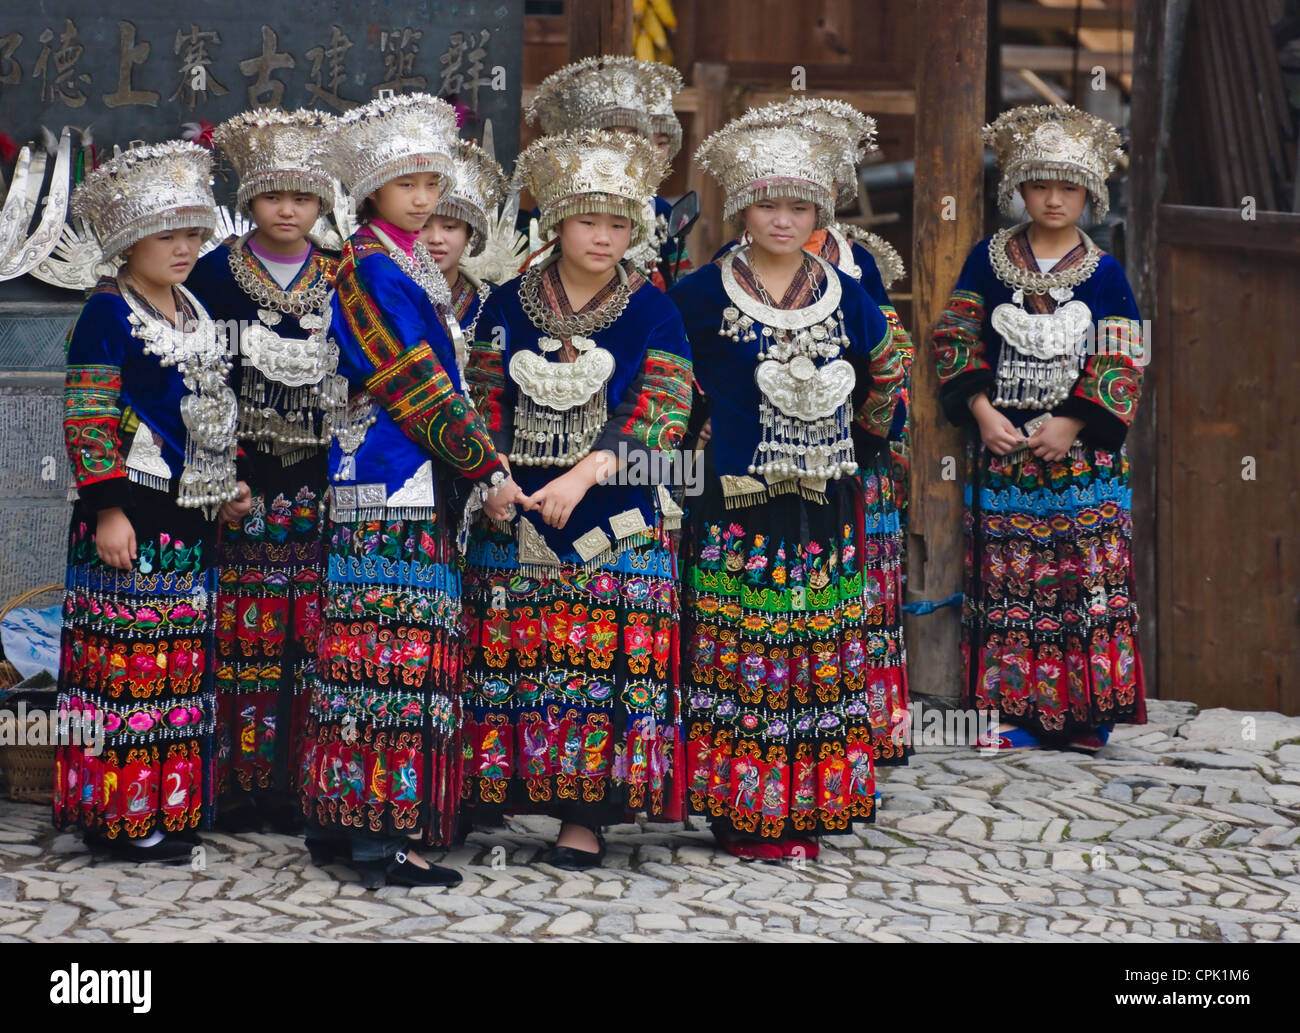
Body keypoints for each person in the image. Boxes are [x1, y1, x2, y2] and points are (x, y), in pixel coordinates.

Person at [299, 93, 524, 888]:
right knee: (392, 656)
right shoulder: (368, 264)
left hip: (402, 477)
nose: (425, 197)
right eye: (407, 184)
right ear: (371, 192)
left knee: (373, 652)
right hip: (393, 481)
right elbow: (413, 383)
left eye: (433, 180)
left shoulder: (398, 260)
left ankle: (344, 823)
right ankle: (380, 836)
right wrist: (486, 465)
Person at [669, 109, 903, 860]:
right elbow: (671, 390)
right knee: (739, 650)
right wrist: (686, 457)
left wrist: (862, 448)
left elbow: (887, 374)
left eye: (799, 206)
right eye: (768, 203)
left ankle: (809, 801)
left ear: (819, 213)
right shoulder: (699, 294)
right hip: (733, 504)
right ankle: (742, 811)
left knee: (816, 647)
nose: (782, 218)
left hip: (825, 504)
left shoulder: (847, 293)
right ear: (742, 205)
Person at [460, 128, 693, 870]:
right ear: (556, 222)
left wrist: (583, 475)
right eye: (589, 220)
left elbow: (664, 409)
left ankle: (585, 819)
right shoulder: (506, 302)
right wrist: (493, 478)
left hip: (613, 512)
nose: (604, 236)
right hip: (519, 505)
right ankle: (502, 787)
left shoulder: (653, 309)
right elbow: (483, 397)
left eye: (619, 224)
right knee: (516, 658)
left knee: (600, 668)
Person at [54, 141, 249, 861]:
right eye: (168, 234)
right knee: (124, 667)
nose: (185, 247)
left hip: (187, 518)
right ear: (131, 237)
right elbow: (88, 414)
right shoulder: (107, 311)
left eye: (194, 233)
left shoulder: (192, 303)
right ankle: (119, 816)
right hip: (128, 515)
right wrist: (108, 509)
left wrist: (224, 486)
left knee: (173, 667)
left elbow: (209, 409)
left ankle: (167, 803)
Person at [930, 104, 1145, 751]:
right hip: (1008, 453)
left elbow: (1124, 354)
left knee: (1085, 581)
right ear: (1018, 189)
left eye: (1069, 187)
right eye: (1041, 185)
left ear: (1090, 194)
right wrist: (982, 410)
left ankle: (1087, 714)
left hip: (1081, 463)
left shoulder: (1105, 274)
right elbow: (955, 339)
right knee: (1012, 581)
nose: (1054, 199)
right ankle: (1013, 711)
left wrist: (1074, 421)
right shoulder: (987, 262)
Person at [187, 109, 342, 833]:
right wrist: (222, 476)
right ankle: (234, 781)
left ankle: (294, 783)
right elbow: (200, 382)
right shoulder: (214, 275)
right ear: (249, 198)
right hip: (243, 485)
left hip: (318, 481)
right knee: (239, 633)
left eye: (305, 196)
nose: (289, 209)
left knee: (306, 636)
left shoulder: (343, 276)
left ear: (323, 204)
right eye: (275, 194)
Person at [523, 55, 692, 288]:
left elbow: (677, 287)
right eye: (607, 131)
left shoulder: (659, 211)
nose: (621, 143)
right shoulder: (550, 210)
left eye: (633, 133)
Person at [417, 137, 508, 382]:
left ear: (468, 234)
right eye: (423, 226)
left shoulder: (493, 305)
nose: (436, 239)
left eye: (449, 227)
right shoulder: (386, 295)